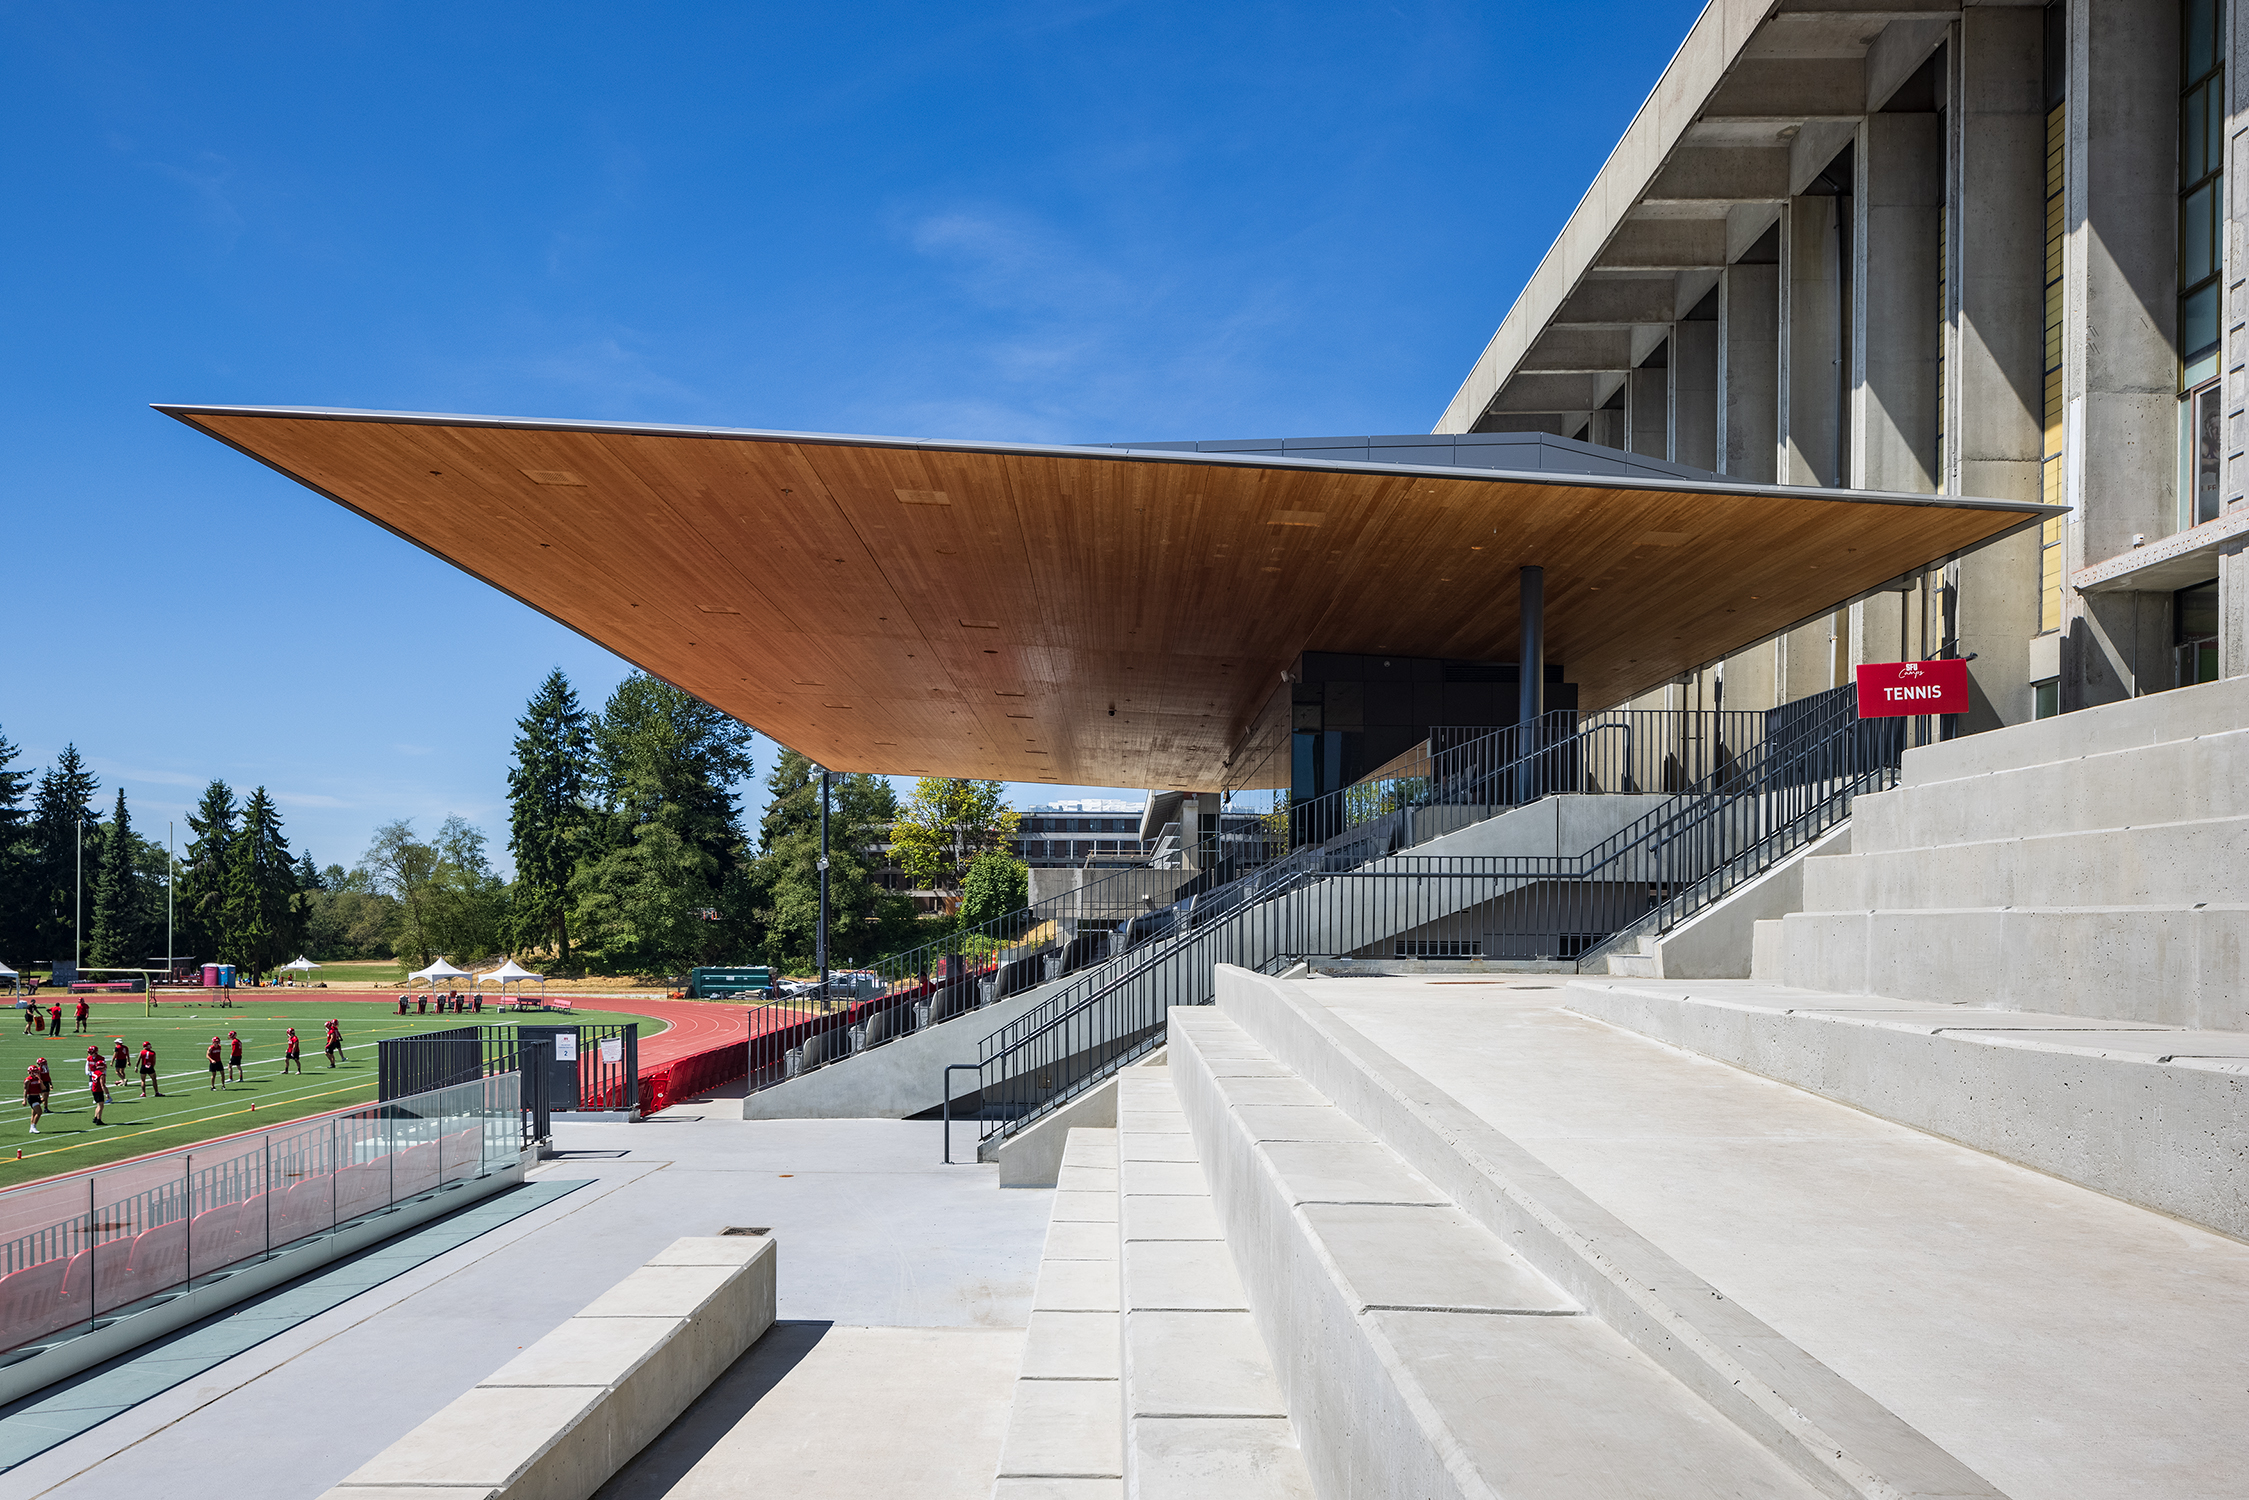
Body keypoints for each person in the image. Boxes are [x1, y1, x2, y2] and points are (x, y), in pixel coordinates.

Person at [88, 1053, 108, 1125]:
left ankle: (95, 1117)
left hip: (94, 1089)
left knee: (98, 1105)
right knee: (101, 1105)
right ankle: (99, 1120)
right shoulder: (101, 1074)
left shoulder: (95, 1072)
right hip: (98, 1090)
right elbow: (102, 1084)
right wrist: (107, 1093)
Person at [24, 1064, 43, 1133]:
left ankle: (31, 1128)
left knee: (34, 1114)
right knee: (39, 1112)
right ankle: (33, 1126)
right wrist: (24, 1100)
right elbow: (25, 1090)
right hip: (32, 1098)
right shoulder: (28, 1080)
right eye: (34, 1071)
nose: (36, 1072)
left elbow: (43, 1088)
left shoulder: (37, 1079)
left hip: (37, 1096)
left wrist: (40, 1080)